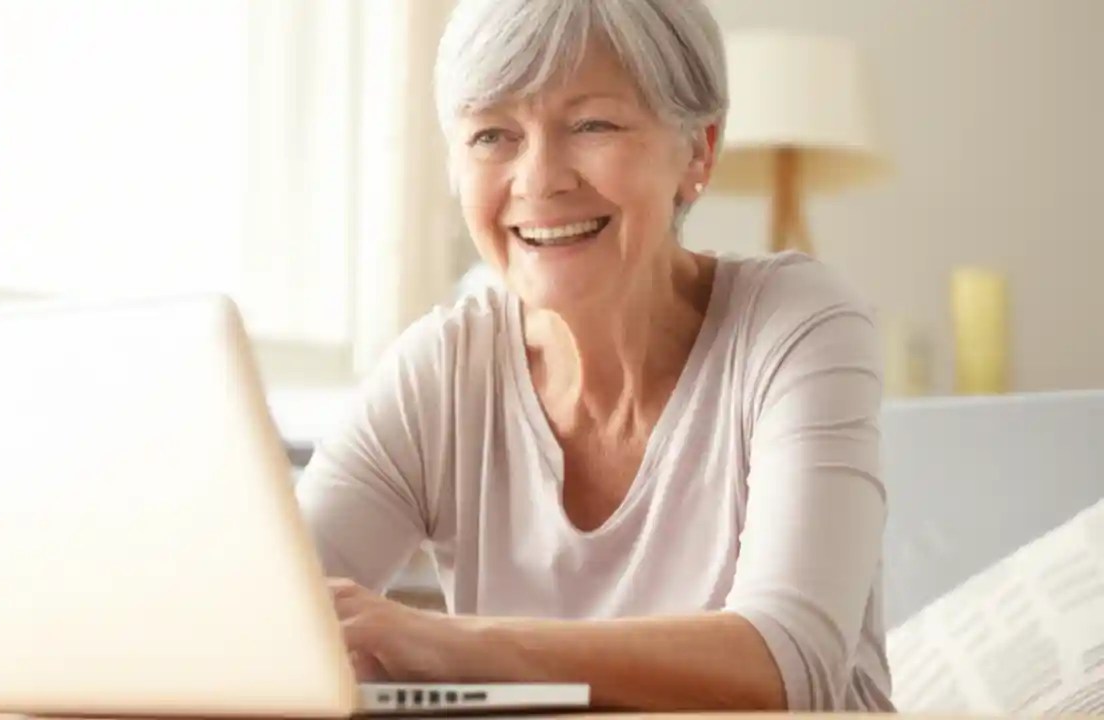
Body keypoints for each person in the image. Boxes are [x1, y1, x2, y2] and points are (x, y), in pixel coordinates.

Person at [296, 0, 893, 711]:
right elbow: (269, 620)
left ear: (698, 149)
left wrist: (443, 643)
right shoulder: (443, 368)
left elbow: (787, 664)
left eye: (592, 125)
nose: (540, 179)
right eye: (493, 135)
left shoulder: (797, 325)